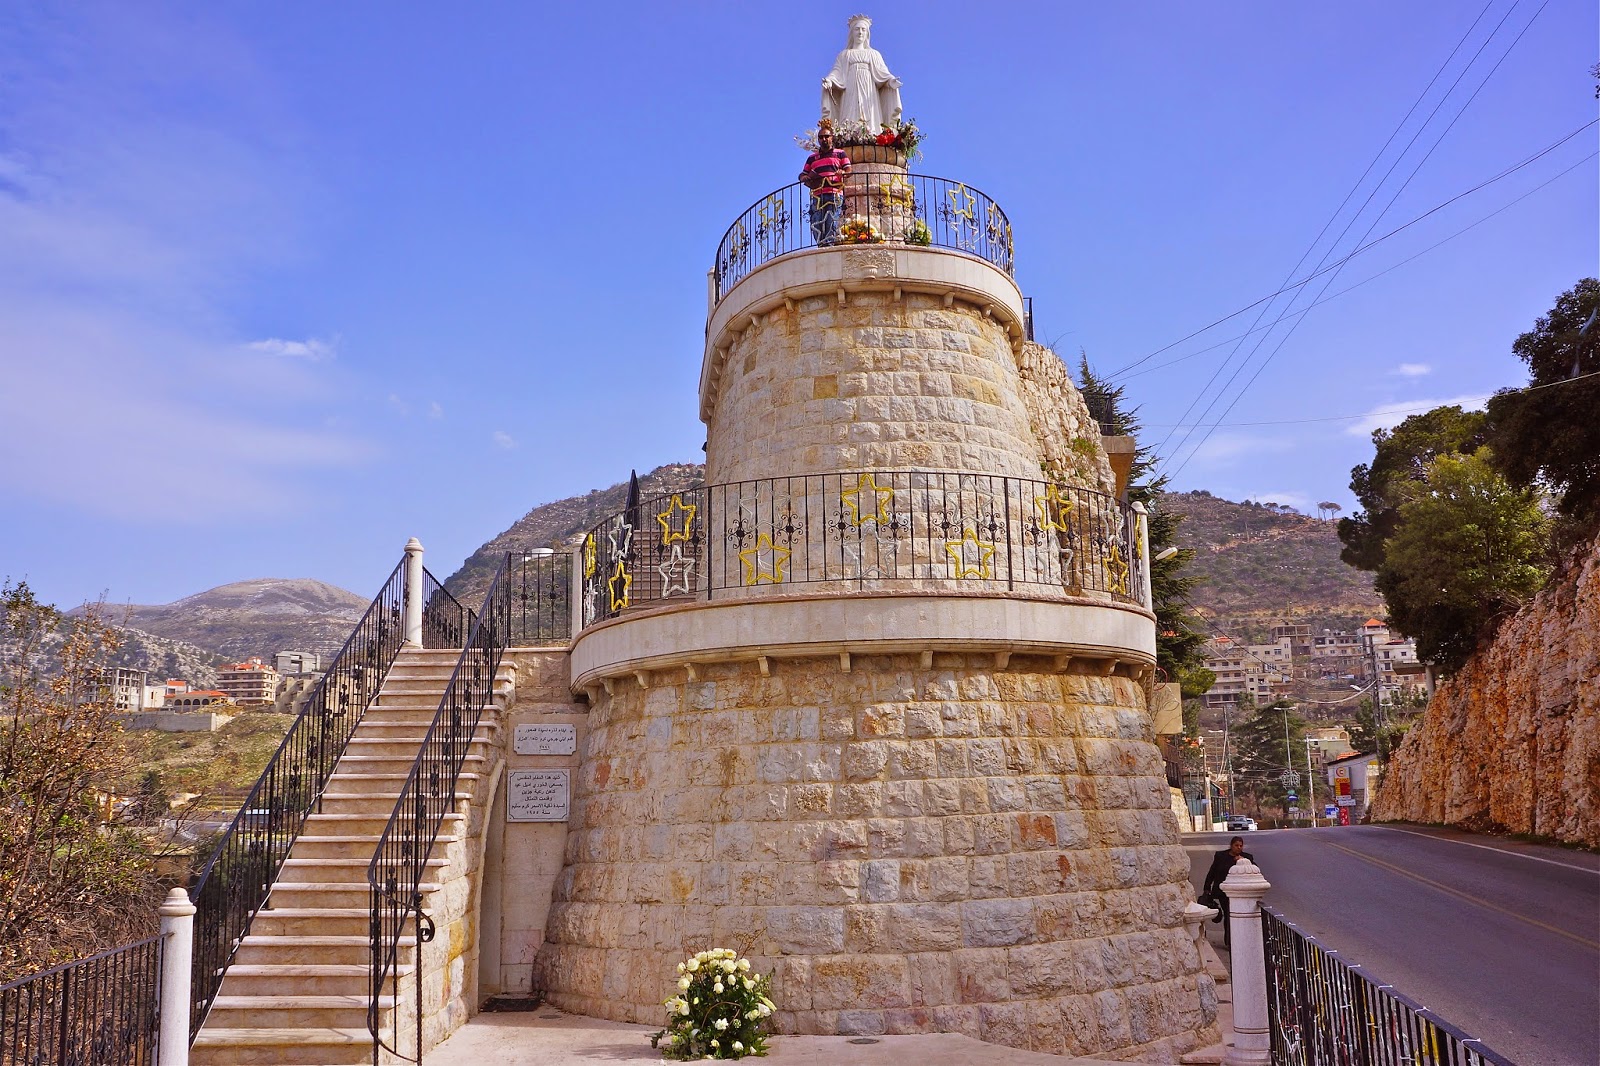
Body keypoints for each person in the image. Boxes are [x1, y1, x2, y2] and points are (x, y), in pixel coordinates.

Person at [820, 15, 903, 133]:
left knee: (871, 118)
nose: (860, 32)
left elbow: (883, 73)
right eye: (857, 29)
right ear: (852, 33)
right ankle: (848, 136)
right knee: (850, 118)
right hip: (850, 90)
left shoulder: (874, 54)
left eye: (863, 29)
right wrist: (829, 80)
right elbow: (837, 72)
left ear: (867, 33)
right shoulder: (845, 54)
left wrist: (891, 81)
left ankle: (872, 135)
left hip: (869, 90)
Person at [800, 120, 851, 246]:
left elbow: (849, 169)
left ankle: (829, 244)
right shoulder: (812, 158)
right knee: (816, 221)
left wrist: (842, 173)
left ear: (832, 138)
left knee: (831, 220)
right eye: (821, 137)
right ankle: (821, 244)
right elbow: (802, 174)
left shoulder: (840, 154)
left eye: (826, 136)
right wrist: (805, 178)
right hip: (817, 194)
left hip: (834, 193)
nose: (824, 139)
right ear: (818, 139)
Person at [1202, 836, 1254, 950]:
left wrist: (1242, 862)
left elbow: (1254, 872)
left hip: (1239, 892)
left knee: (1237, 916)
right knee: (1229, 914)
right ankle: (1230, 941)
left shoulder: (1247, 858)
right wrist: (1207, 887)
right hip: (1223, 892)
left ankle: (1239, 940)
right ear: (1231, 846)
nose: (1238, 848)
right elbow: (1212, 872)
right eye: (1236, 845)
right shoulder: (1221, 856)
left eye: (1241, 846)